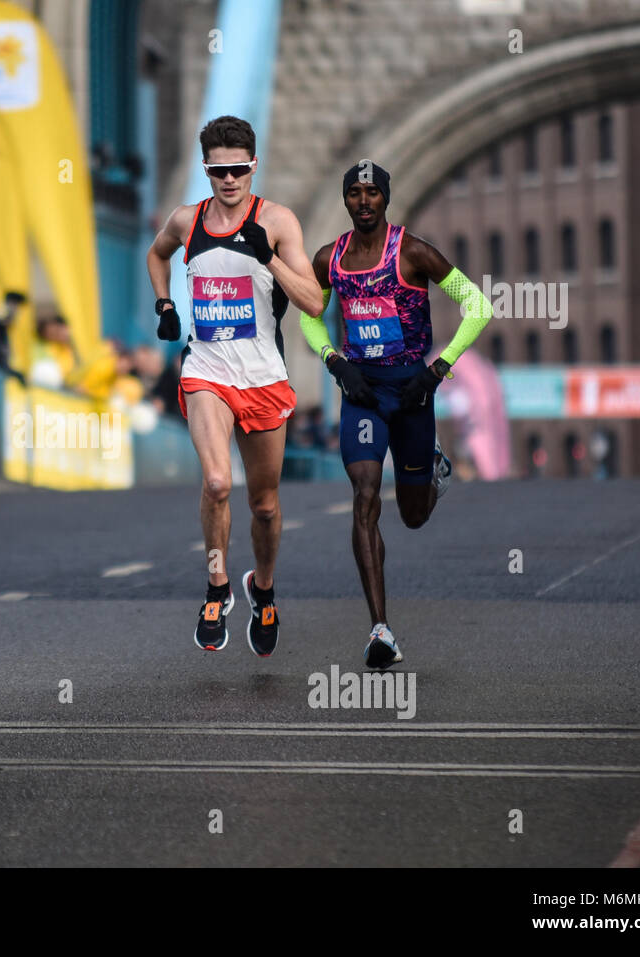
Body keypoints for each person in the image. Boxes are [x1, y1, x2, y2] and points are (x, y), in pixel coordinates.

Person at [297, 161, 492, 668]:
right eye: (355, 194)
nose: (364, 202)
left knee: (412, 514)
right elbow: (309, 319)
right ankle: (379, 629)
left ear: (386, 198)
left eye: (372, 193)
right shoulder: (329, 260)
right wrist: (335, 363)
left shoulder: (413, 252)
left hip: (412, 391)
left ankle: (433, 469)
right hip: (361, 391)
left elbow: (478, 306)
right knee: (365, 494)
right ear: (346, 201)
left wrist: (438, 369)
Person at [146, 115, 324, 656]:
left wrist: (263, 253)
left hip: (264, 377)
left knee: (265, 505)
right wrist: (165, 304)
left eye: (238, 169)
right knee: (219, 483)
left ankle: (262, 589)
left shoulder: (277, 221)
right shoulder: (186, 220)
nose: (229, 180)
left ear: (253, 165)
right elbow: (157, 254)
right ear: (206, 169)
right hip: (207, 370)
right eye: (219, 170)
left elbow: (315, 303)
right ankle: (217, 585)